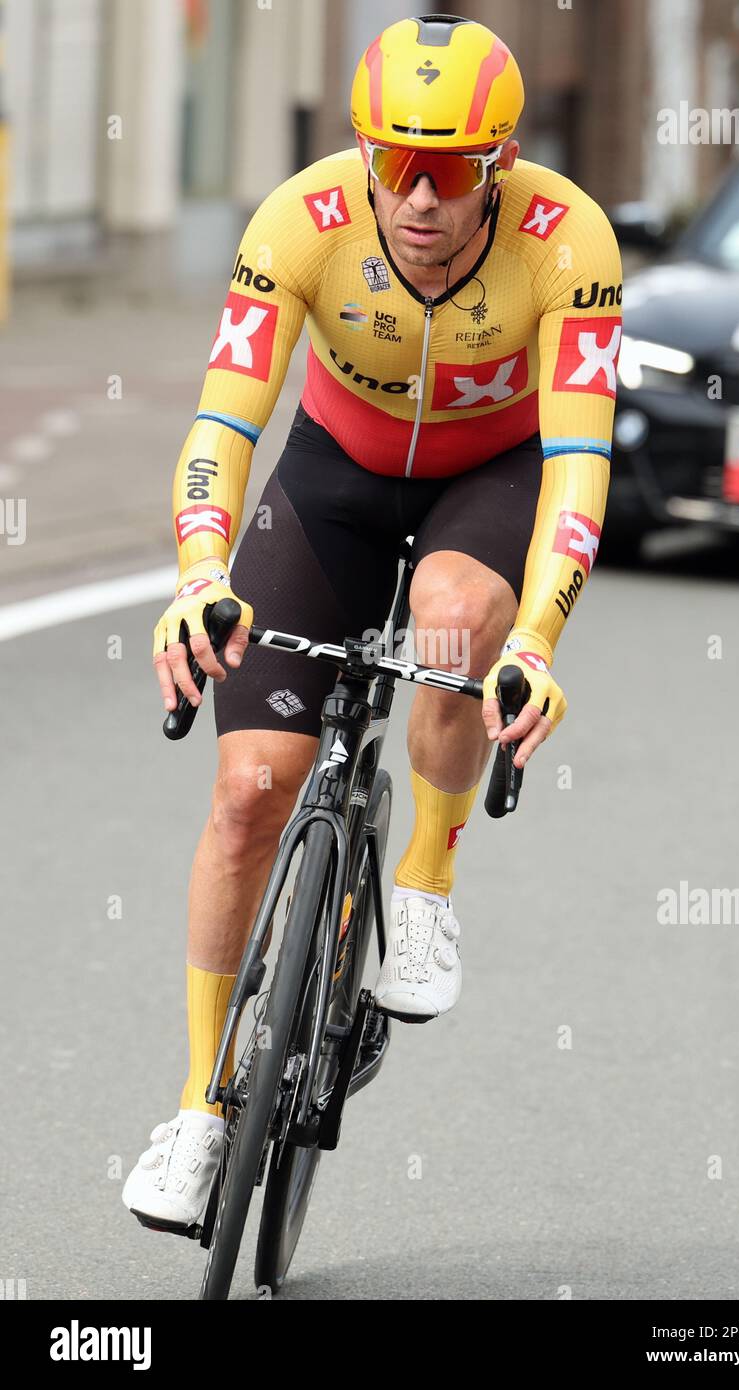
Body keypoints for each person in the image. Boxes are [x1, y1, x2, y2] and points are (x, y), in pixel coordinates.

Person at [123, 13, 621, 1232]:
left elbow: (580, 463)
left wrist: (537, 642)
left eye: (447, 169)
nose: (416, 195)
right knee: (248, 791)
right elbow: (224, 426)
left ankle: (427, 873)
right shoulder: (301, 220)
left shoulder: (572, 242)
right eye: (389, 160)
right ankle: (197, 1111)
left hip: (486, 478)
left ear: (498, 167)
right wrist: (198, 575)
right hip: (332, 476)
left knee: (454, 619)